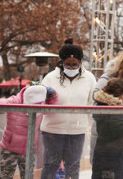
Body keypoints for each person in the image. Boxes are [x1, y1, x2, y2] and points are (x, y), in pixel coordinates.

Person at [40, 39, 97, 179]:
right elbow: (40, 101)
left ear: (80, 63)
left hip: (77, 130)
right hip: (52, 130)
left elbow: (92, 103)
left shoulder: (89, 78)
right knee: (50, 165)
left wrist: (92, 123)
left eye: (74, 65)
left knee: (73, 166)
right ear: (62, 63)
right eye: (68, 65)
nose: (71, 68)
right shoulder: (50, 78)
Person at [0, 85, 54, 179]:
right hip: (10, 149)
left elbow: (52, 110)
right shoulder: (16, 100)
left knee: (28, 177)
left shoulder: (42, 104)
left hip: (28, 150)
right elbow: (2, 103)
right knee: (5, 176)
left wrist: (53, 96)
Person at [92, 78, 123, 179]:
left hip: (104, 153)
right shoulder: (114, 112)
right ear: (119, 95)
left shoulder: (103, 106)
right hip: (112, 156)